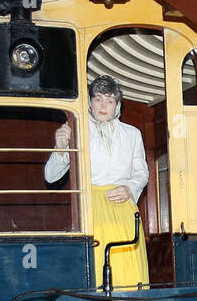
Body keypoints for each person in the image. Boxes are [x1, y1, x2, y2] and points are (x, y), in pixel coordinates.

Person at [45, 76, 149, 287]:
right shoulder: (75, 130)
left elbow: (142, 172)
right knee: (98, 273)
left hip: (124, 210)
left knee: (129, 274)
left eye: (110, 100)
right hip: (92, 210)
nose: (103, 105)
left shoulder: (132, 134)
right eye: (98, 99)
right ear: (90, 103)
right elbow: (50, 176)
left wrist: (129, 189)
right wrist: (60, 147)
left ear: (117, 105)